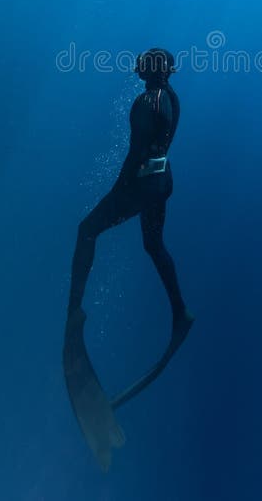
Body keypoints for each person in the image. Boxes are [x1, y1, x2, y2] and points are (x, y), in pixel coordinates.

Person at [65, 48, 193, 343]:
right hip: (163, 180)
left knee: (87, 230)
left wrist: (118, 189)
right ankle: (180, 311)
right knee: (154, 244)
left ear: (154, 68)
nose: (137, 67)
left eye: (143, 63)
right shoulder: (171, 97)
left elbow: (135, 153)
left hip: (143, 184)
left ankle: (74, 311)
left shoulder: (146, 101)